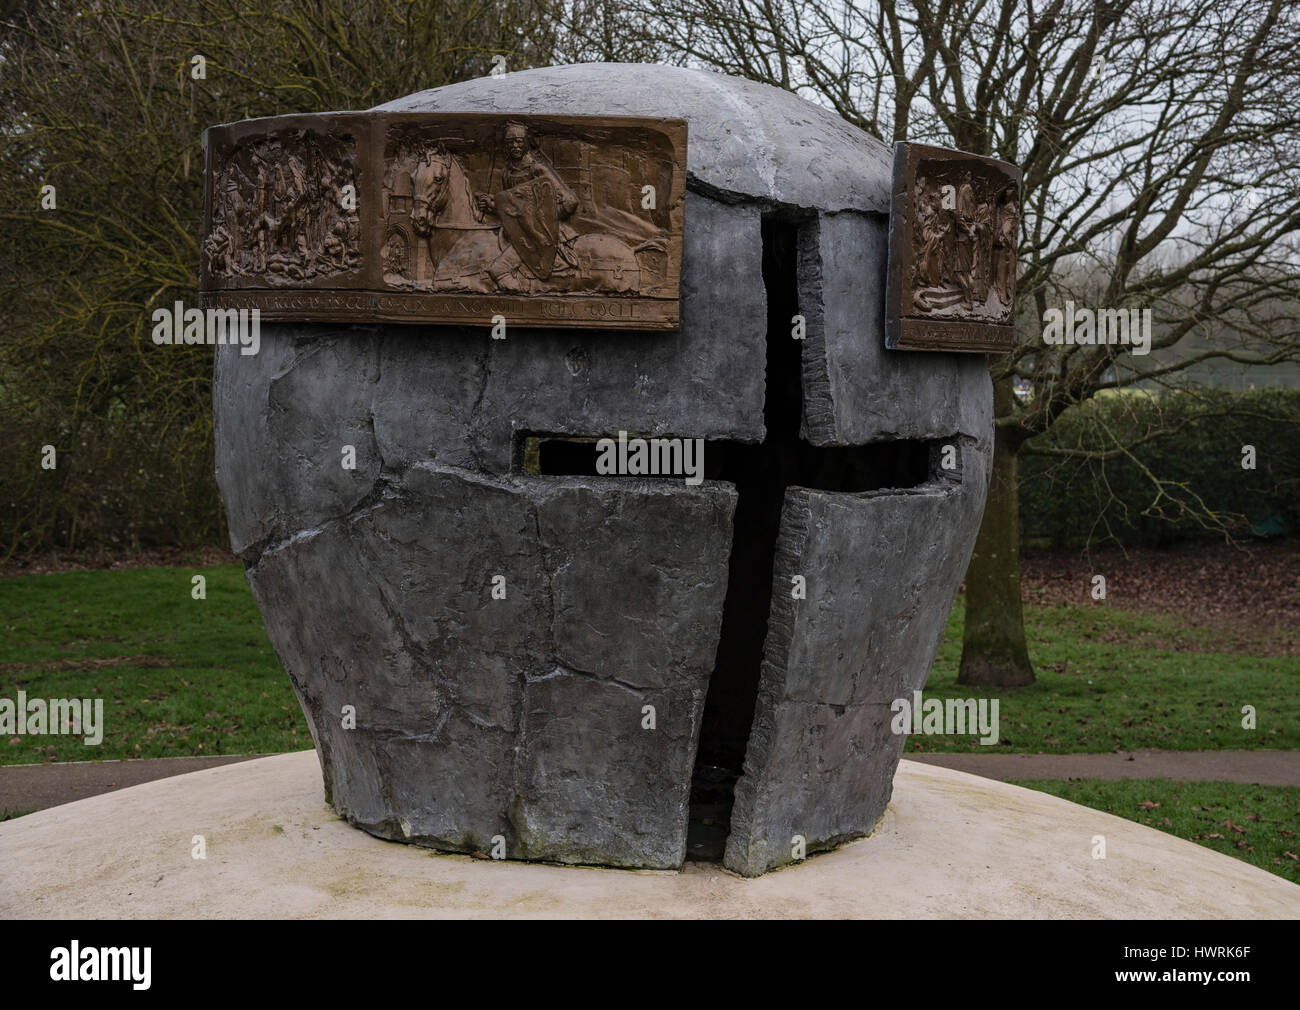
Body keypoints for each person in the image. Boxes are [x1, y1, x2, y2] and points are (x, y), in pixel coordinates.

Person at [475, 121, 581, 291]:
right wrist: (492, 205)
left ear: (527, 143)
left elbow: (570, 202)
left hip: (542, 232)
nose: (514, 146)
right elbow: (512, 209)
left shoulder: (538, 170)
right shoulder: (507, 172)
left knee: (498, 270)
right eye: (510, 142)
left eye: (519, 141)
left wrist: (544, 220)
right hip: (518, 231)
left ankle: (520, 294)